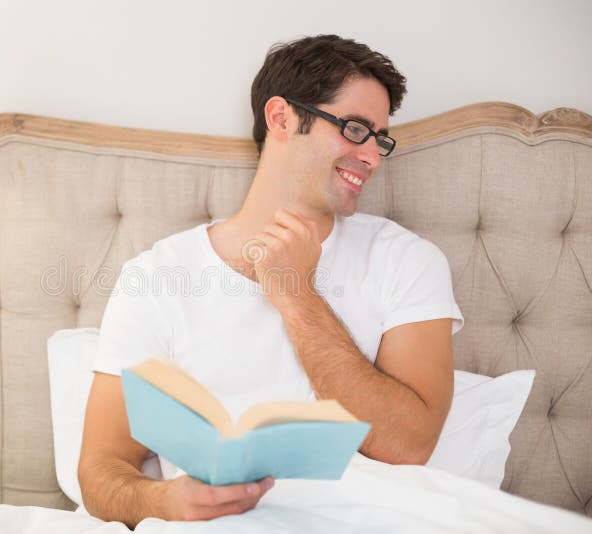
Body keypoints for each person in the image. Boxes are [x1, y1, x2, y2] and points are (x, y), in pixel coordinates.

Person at [78, 34, 463, 528]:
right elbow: (100, 469)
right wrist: (164, 502)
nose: (372, 157)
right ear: (281, 117)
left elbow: (409, 443)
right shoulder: (157, 278)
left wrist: (297, 296)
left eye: (380, 139)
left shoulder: (407, 262)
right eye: (354, 129)